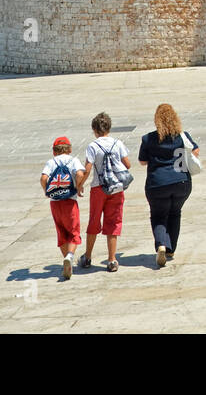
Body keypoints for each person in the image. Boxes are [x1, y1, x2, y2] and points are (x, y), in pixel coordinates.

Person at [138, 103, 199, 268]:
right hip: (182, 182)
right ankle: (171, 249)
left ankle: (161, 245)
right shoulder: (182, 136)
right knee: (175, 213)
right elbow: (195, 151)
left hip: (157, 184)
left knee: (158, 215)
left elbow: (142, 161)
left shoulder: (148, 139)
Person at [79, 112, 131, 273]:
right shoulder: (118, 143)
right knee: (114, 221)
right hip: (116, 187)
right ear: (109, 127)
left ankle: (87, 256)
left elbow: (87, 168)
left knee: (94, 221)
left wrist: (79, 184)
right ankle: (112, 259)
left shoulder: (93, 146)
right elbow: (127, 164)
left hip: (98, 187)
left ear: (94, 129)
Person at [40, 136, 87, 280]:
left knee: (61, 232)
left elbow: (43, 178)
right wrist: (78, 187)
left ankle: (67, 260)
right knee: (73, 231)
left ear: (54, 151)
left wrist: (47, 191)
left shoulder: (51, 162)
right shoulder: (73, 160)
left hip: (55, 203)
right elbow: (80, 173)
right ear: (70, 149)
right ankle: (70, 257)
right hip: (69, 201)